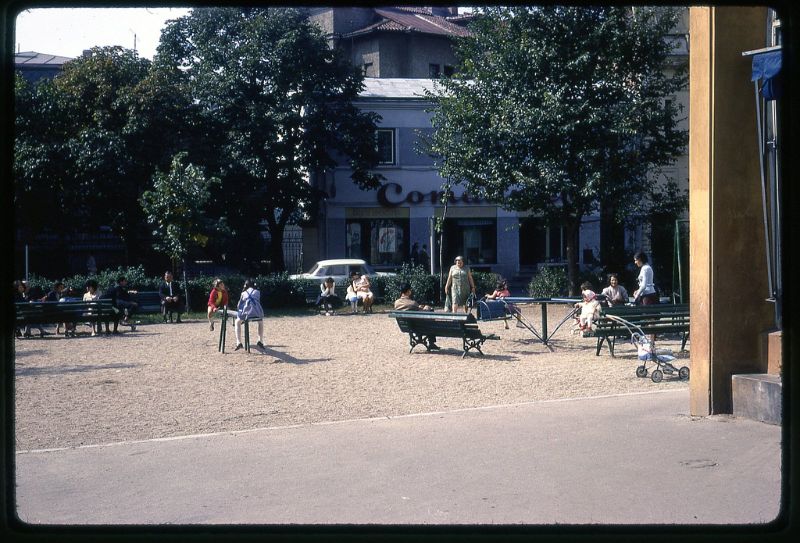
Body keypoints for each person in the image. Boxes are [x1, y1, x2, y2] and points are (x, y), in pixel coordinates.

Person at [394, 283, 439, 350]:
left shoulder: (396, 303)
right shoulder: (412, 303)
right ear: (408, 291)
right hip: (419, 326)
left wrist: (419, 307)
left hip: (408, 326)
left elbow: (410, 308)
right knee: (430, 314)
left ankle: (423, 340)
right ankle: (431, 343)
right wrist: (427, 308)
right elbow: (421, 312)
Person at [234, 279, 265, 351]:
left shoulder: (243, 293)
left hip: (246, 315)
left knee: (237, 322)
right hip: (257, 313)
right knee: (260, 322)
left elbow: (238, 306)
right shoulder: (258, 292)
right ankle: (260, 340)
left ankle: (239, 342)